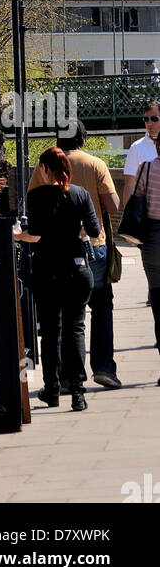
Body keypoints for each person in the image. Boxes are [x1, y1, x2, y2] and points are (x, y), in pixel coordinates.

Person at [29, 121, 121, 389]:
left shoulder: (44, 167)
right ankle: (103, 367)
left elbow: (33, 203)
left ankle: (63, 376)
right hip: (93, 245)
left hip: (54, 250)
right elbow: (113, 206)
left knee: (59, 316)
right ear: (83, 138)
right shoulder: (95, 164)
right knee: (101, 307)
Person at [17, 146, 99, 412]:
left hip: (48, 270)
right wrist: (75, 229)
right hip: (77, 268)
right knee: (75, 328)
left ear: (44, 168)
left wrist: (17, 236)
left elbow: (35, 233)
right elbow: (94, 230)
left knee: (51, 332)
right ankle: (77, 392)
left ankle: (52, 390)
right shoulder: (80, 194)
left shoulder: (36, 195)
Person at [123, 103, 160, 380]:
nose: (149, 123)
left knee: (157, 297)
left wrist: (131, 232)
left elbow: (136, 196)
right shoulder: (138, 149)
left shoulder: (147, 168)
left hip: (154, 236)